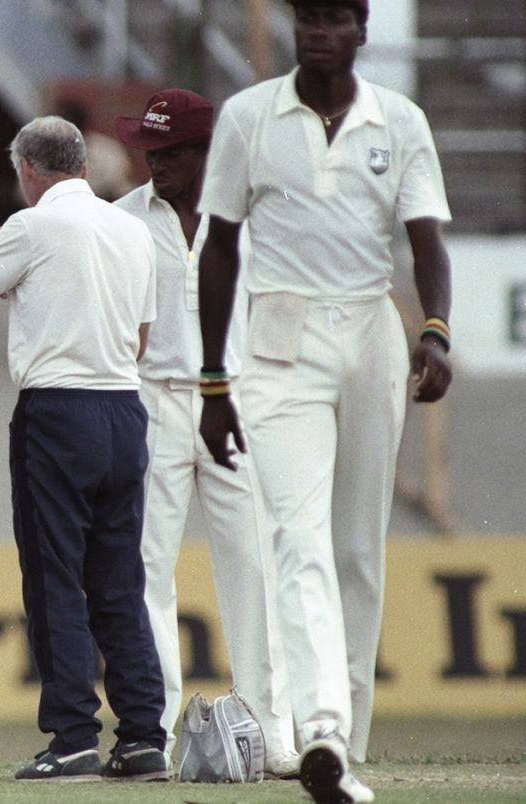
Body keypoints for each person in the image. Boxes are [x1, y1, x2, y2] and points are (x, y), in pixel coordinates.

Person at [196, 2, 454, 801]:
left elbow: (426, 242)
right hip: (278, 337)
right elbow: (221, 250)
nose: (318, 30)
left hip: (371, 332)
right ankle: (322, 737)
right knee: (296, 536)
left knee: (355, 552)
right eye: (307, 15)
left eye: (335, 17)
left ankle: (350, 737)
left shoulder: (398, 121)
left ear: (361, 30)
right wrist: (213, 381)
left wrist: (436, 332)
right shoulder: (246, 116)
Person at [0, 116, 168, 783]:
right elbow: (143, 339)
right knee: (120, 582)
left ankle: (71, 738)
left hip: (59, 412)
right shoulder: (131, 229)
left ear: (27, 170)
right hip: (125, 409)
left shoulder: (31, 227)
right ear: (82, 167)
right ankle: (144, 737)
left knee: (55, 580)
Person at [113, 88, 300, 780]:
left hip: (238, 402)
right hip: (153, 401)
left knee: (254, 567)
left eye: (169, 151)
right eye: (149, 149)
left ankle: (270, 729)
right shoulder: (121, 219)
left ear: (207, 153)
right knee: (144, 571)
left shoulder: (251, 220)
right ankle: (153, 731)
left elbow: (281, 312)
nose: (154, 161)